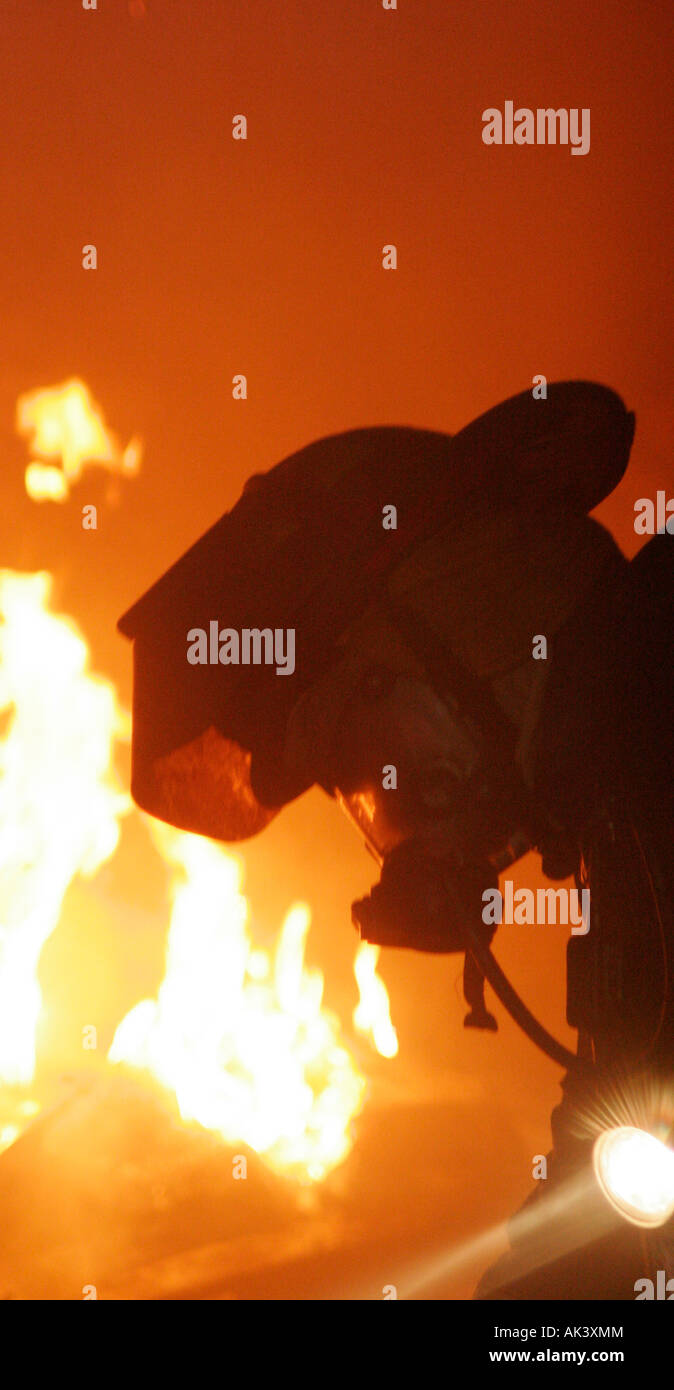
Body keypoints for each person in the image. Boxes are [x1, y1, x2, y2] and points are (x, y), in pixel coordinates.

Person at [118, 381, 674, 1298]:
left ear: (459, 646)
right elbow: (622, 1136)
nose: (392, 823)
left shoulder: (645, 773)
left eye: (370, 767)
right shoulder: (627, 806)